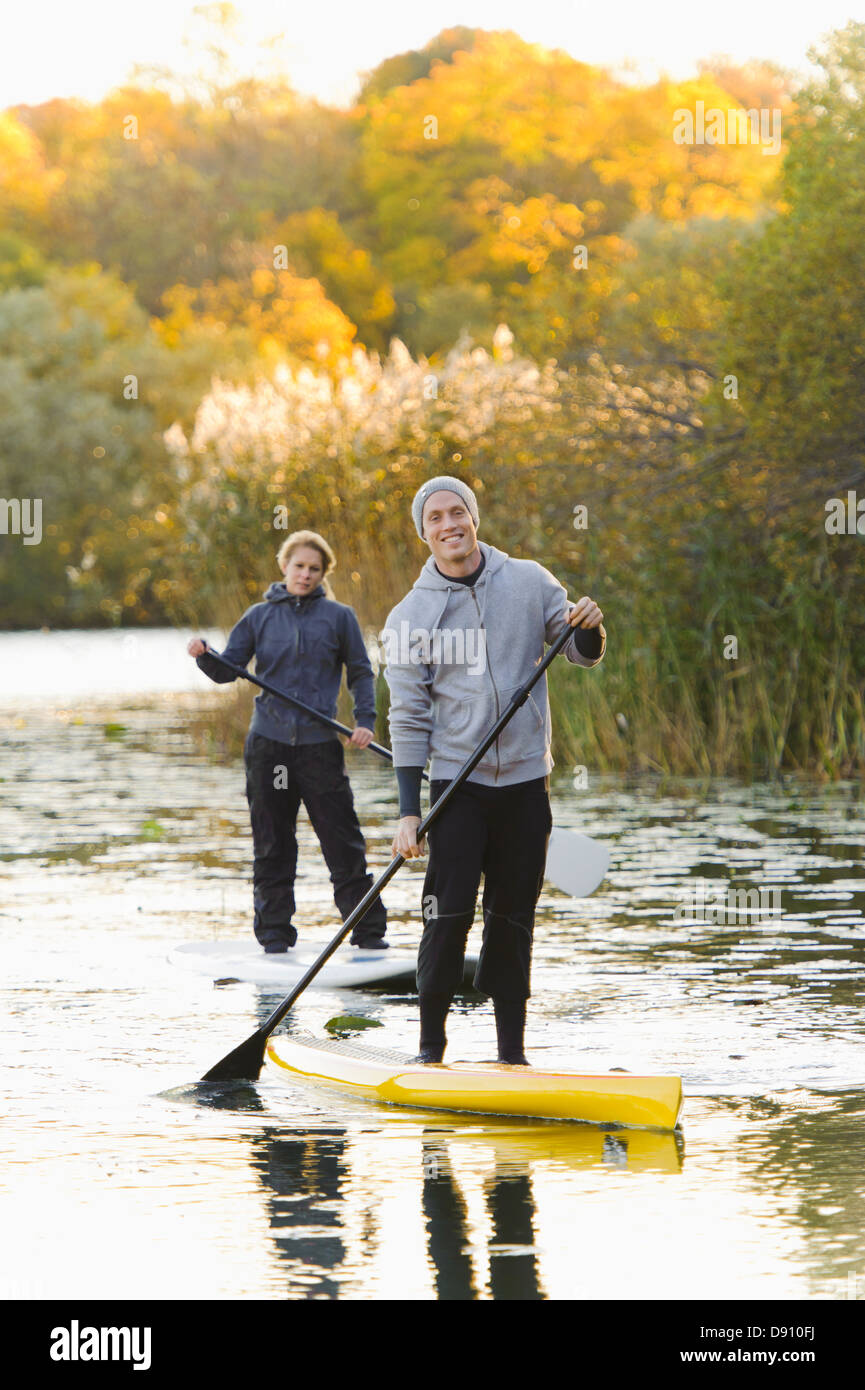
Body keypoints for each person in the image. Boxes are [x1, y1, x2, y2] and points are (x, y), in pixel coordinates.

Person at [384, 478, 605, 1063]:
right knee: (446, 917)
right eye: (435, 517)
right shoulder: (411, 616)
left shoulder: (531, 582)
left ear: (474, 518)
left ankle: (512, 1056)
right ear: (424, 531)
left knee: (512, 919)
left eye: (458, 511)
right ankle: (430, 1053)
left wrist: (588, 627)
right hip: (458, 787)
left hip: (526, 787)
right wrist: (409, 812)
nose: (449, 523)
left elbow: (579, 653)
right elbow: (407, 718)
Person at [187, 529, 388, 952]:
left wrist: (365, 720)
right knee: (274, 843)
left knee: (343, 842)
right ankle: (275, 937)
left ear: (323, 573)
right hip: (270, 750)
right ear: (284, 566)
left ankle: (369, 935)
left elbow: (361, 672)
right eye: (299, 566)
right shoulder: (259, 617)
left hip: (319, 748)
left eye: (315, 569)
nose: (306, 575)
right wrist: (204, 656)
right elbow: (228, 670)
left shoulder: (340, 618)